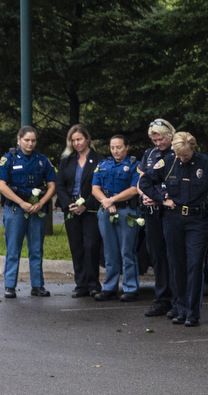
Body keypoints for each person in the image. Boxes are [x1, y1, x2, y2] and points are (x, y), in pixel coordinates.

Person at [160, 132, 208, 327]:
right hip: (173, 218)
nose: (182, 159)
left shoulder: (206, 163)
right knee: (176, 264)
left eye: (185, 155)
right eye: (179, 155)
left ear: (192, 149)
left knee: (195, 265)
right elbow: (145, 181)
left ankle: (192, 313)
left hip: (197, 220)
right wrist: (162, 197)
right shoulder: (169, 161)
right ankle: (180, 308)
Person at [0, 125, 57, 299]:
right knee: (13, 248)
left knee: (36, 249)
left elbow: (52, 185)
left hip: (37, 209)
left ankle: (37, 286)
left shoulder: (42, 160)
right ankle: (10, 286)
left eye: (33, 140)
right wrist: (21, 202)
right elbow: (1, 185)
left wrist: (42, 202)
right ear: (19, 140)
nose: (30, 143)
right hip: (15, 208)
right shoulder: (9, 159)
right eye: (27, 140)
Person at [92, 134, 142, 302]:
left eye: (119, 147)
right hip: (106, 211)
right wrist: (105, 202)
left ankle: (130, 288)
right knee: (109, 251)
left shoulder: (135, 165)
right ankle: (110, 287)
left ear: (127, 147)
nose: (115, 150)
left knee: (127, 251)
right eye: (112, 147)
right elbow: (95, 188)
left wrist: (112, 200)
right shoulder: (103, 164)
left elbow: (134, 189)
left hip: (126, 211)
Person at [135, 119, 177, 318]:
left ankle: (177, 300)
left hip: (170, 211)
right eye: (154, 140)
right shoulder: (149, 154)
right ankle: (161, 299)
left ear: (169, 135)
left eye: (160, 139)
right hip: (151, 212)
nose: (157, 143)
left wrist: (161, 198)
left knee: (173, 256)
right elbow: (141, 180)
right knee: (157, 257)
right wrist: (144, 195)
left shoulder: (178, 152)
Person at [55, 124, 103, 298]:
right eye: (73, 140)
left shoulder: (98, 159)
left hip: (90, 208)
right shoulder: (67, 160)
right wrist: (68, 205)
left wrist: (86, 204)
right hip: (70, 208)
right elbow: (59, 184)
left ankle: (93, 284)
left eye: (79, 139)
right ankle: (81, 284)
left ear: (87, 139)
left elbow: (101, 185)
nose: (76, 143)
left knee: (90, 245)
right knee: (76, 246)